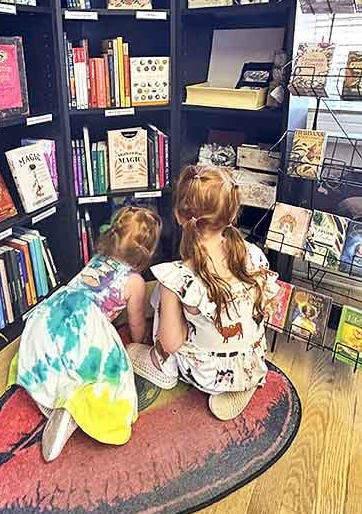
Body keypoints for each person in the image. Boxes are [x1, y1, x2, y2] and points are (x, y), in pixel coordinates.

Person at [128, 165, 279, 420]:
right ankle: (244, 380)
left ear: (178, 215)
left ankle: (160, 367)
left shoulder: (177, 275)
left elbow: (172, 342)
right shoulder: (254, 254)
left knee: (167, 303)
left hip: (205, 374)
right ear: (232, 213)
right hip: (250, 360)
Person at [15, 206, 161, 461]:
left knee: (53, 354)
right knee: (107, 376)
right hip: (84, 326)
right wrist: (139, 343)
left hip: (53, 314)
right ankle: (72, 407)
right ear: (146, 254)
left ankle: (48, 395)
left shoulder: (96, 259)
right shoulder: (134, 282)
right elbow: (136, 323)